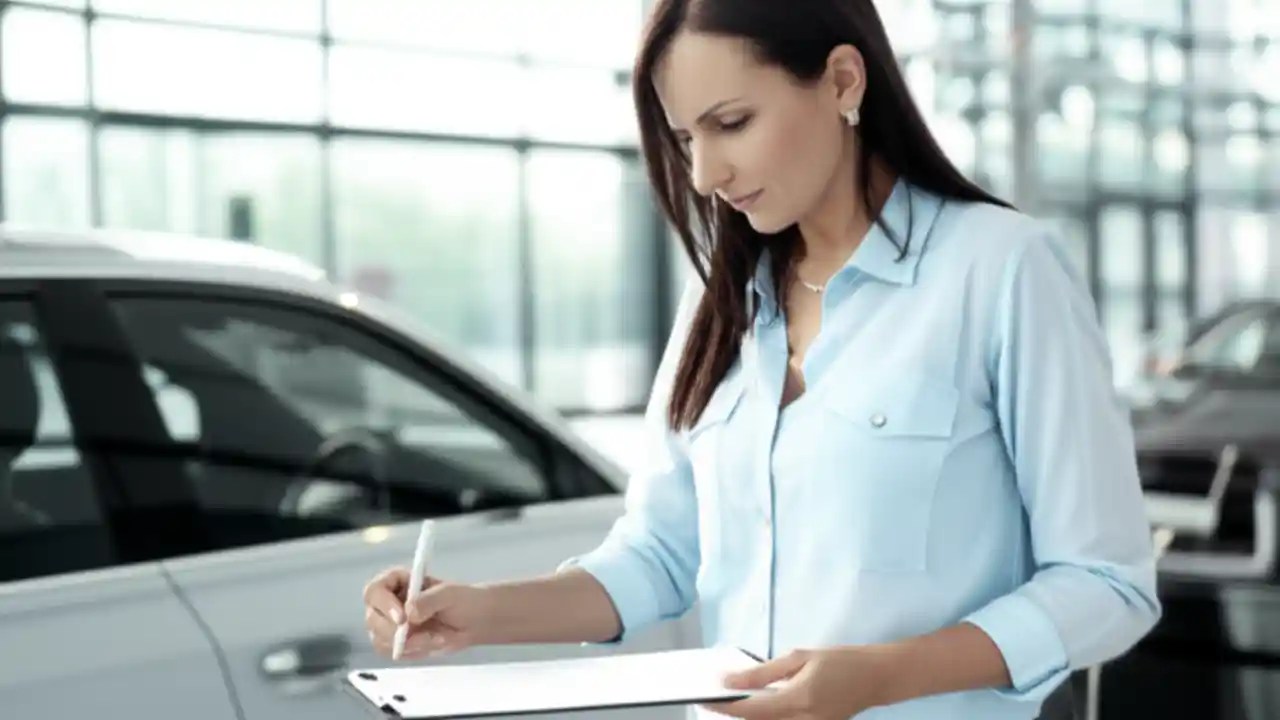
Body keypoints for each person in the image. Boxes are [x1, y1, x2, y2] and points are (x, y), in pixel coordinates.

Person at [362, 1, 1162, 717]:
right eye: (685, 139)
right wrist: (478, 612)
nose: (706, 175)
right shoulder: (720, 303)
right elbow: (661, 554)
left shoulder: (1002, 269)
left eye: (732, 123)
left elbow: (1107, 585)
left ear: (844, 81)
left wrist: (879, 678)